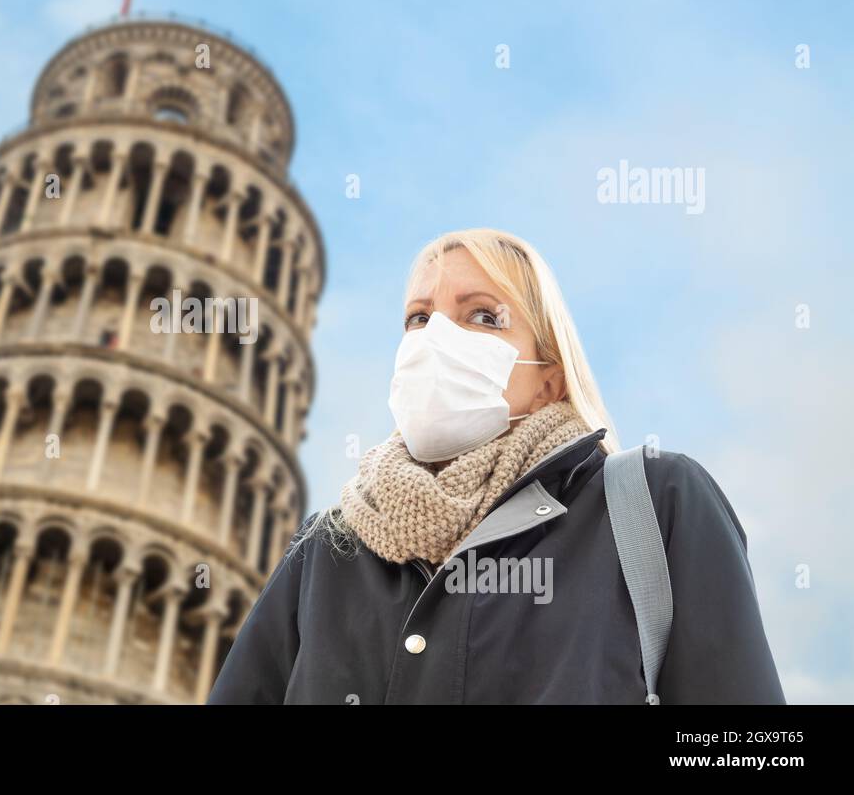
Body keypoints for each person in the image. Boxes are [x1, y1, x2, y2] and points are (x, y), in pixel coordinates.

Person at [208, 228, 785, 704]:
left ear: (548, 379)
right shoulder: (326, 551)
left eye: (483, 317)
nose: (437, 339)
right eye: (418, 319)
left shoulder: (653, 504)